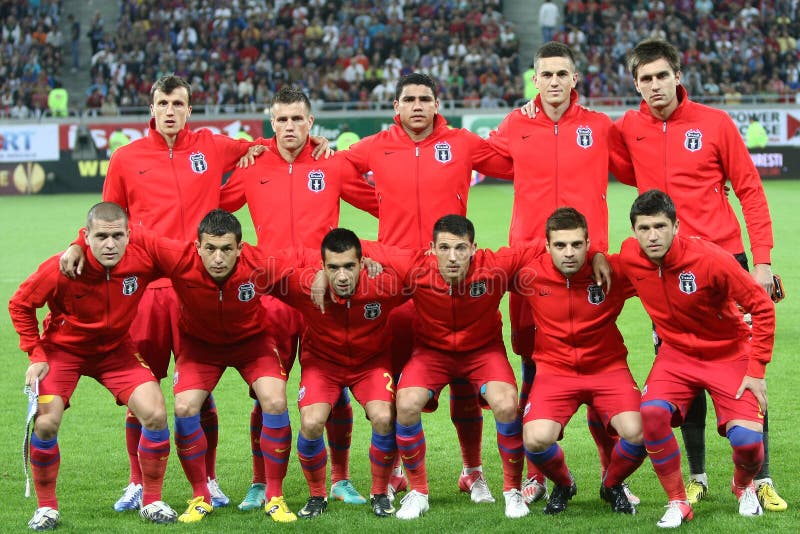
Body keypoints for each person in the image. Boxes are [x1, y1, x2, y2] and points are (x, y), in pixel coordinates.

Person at [612, 39, 783, 511]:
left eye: (661, 76)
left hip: (725, 262)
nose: (655, 86)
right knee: (680, 364)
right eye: (645, 79)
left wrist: (762, 261)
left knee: (746, 368)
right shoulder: (627, 128)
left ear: (678, 76)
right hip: (666, 268)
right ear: (636, 85)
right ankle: (698, 476)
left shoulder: (715, 123)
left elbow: (750, 190)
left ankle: (761, 478)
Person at [343, 73, 515, 504]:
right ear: (396, 107)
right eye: (409, 99)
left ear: (437, 104)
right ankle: (396, 470)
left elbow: (513, 164)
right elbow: (335, 171)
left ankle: (472, 472)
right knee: (396, 381)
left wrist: (523, 121)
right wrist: (377, 201)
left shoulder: (461, 142)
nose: (417, 106)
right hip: (396, 281)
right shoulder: (375, 146)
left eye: (425, 99)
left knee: (464, 382)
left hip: (452, 274)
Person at [97, 74, 261, 512]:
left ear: (190, 109)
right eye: (163, 103)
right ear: (152, 109)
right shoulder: (126, 158)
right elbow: (108, 219)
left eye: (178, 104)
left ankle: (209, 479)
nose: (170, 111)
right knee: (141, 388)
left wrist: (308, 142)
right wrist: (81, 246)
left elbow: (264, 148)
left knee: (198, 390)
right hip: (146, 291)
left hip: (197, 290)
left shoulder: (211, 146)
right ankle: (136, 482)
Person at [221, 85, 379, 510]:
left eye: (297, 119)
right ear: (271, 123)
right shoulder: (254, 166)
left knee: (335, 386)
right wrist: (249, 149)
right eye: (282, 119)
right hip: (271, 297)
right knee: (266, 392)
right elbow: (209, 206)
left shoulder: (332, 164)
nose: (289, 126)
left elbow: (384, 206)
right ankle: (259, 482)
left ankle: (341, 479)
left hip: (321, 296)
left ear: (311, 122)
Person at [494, 41, 634, 505]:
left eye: (562, 74)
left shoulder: (599, 126)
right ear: (534, 80)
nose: (554, 81)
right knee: (532, 363)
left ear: (575, 79)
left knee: (596, 363)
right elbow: (468, 155)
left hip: (587, 263)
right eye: (546, 74)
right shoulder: (515, 124)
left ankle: (613, 473)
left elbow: (639, 168)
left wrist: (599, 248)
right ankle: (538, 474)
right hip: (530, 268)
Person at [9, 202, 178, 529]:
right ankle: (46, 508)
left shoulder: (142, 261)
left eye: (117, 236)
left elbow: (184, 264)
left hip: (116, 351)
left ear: (129, 235)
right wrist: (36, 353)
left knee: (156, 413)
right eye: (101, 237)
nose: (110, 244)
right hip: (63, 351)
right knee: (46, 423)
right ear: (86, 236)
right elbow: (20, 304)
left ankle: (152, 500)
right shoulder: (60, 268)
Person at [356, 215, 536, 520]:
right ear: (432, 248)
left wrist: (596, 257)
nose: (452, 257)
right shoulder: (415, 266)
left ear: (474, 248)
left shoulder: (494, 266)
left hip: (483, 352)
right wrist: (359, 262)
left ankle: (512, 492)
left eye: (461, 248)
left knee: (507, 405)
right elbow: (354, 245)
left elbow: (543, 246)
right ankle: (419, 492)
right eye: (444, 248)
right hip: (432, 354)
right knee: (406, 403)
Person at [619, 190, 774, 528]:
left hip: (728, 353)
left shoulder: (711, 258)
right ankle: (677, 501)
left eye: (660, 226)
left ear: (676, 226)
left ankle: (743, 485)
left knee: (748, 444)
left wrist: (757, 370)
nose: (652, 235)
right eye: (644, 228)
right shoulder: (630, 255)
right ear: (634, 231)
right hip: (676, 355)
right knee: (652, 413)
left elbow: (762, 306)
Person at [516, 207, 646, 516]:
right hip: (555, 372)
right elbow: (482, 273)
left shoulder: (611, 271)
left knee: (641, 433)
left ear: (588, 244)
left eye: (577, 244)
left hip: (608, 368)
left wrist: (600, 255)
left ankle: (612, 484)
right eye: (560, 245)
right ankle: (564, 483)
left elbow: (650, 261)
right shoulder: (529, 275)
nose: (569, 253)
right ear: (547, 246)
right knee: (535, 439)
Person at [277, 228, 408, 519]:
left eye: (349, 266)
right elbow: (262, 274)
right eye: (333, 268)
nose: (342, 276)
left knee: (384, 417)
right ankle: (317, 495)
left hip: (370, 364)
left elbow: (422, 273)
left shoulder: (384, 284)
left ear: (362, 263)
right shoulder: (304, 285)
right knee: (311, 422)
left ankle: (379, 493)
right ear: (322, 266)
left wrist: (381, 263)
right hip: (322, 365)